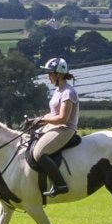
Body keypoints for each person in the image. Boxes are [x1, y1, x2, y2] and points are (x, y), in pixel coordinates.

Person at [24, 57, 80, 195]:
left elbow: (62, 118)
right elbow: (53, 113)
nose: (47, 76)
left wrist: (43, 119)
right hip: (55, 126)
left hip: (65, 129)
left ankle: (60, 184)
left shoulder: (68, 93)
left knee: (39, 153)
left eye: (49, 73)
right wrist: (37, 120)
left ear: (58, 74)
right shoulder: (58, 90)